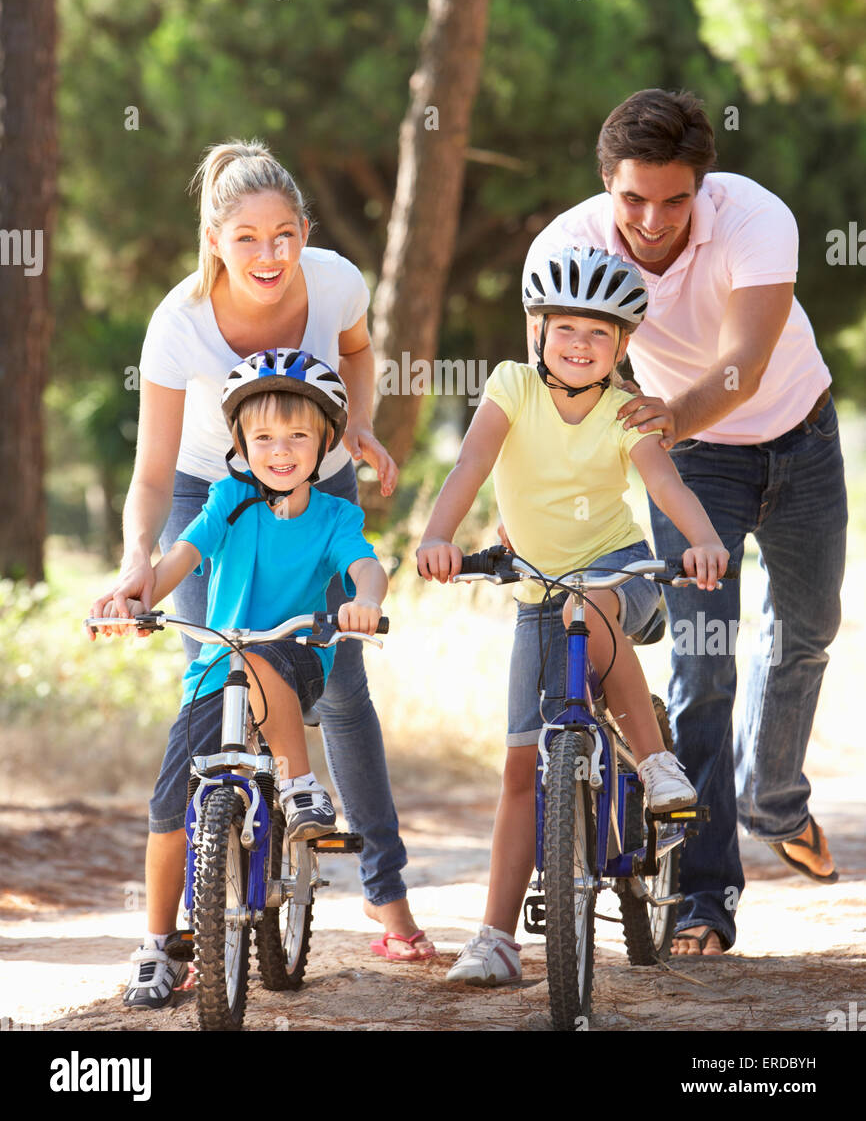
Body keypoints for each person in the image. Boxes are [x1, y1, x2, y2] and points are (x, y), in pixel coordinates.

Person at [89, 141, 433, 1007]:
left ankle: (384, 897)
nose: (270, 255)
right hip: (216, 484)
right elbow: (155, 476)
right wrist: (137, 572)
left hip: (318, 462)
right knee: (215, 667)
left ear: (307, 234)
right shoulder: (179, 324)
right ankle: (186, 921)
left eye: (285, 235)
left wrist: (350, 428)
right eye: (246, 239)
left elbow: (356, 354)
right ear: (213, 240)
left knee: (342, 689)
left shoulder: (339, 281)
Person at [524, 89, 847, 957]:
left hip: (799, 438)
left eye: (676, 199)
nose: (656, 219)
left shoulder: (754, 218)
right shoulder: (568, 246)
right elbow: (557, 388)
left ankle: (772, 798)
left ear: (703, 187)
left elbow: (740, 369)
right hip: (695, 464)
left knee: (809, 630)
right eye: (634, 198)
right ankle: (705, 898)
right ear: (606, 183)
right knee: (705, 668)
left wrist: (665, 417)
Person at [416, 245, 729, 987]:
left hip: (623, 576)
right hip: (536, 589)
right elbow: (471, 464)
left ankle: (654, 761)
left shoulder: (628, 410)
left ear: (623, 345)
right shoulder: (512, 388)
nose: (580, 345)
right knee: (520, 767)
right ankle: (494, 938)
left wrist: (706, 540)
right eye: (566, 330)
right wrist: (437, 534)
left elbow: (664, 483)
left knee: (589, 604)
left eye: (599, 334)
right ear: (538, 331)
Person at [96, 352, 390, 1002]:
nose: (279, 451)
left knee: (256, 659)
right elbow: (179, 559)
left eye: (297, 437)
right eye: (262, 438)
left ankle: (301, 786)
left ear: (325, 443)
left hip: (296, 656)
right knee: (168, 807)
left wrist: (363, 599)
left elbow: (366, 566)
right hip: (215, 668)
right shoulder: (228, 501)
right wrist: (137, 600)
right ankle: (156, 946)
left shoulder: (335, 517)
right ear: (238, 444)